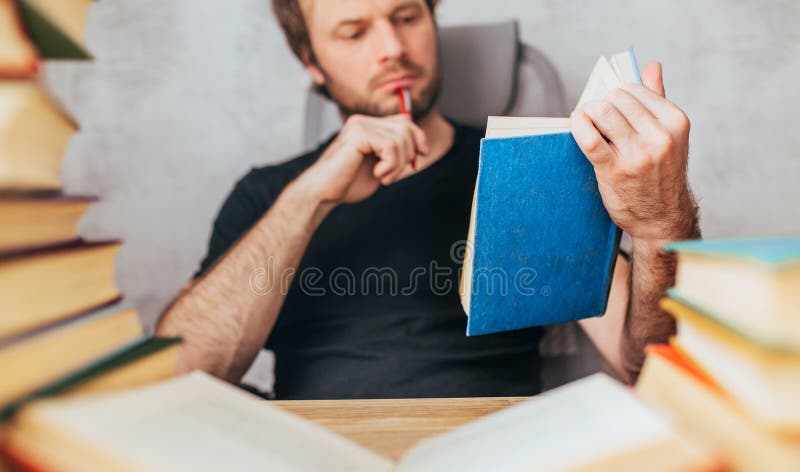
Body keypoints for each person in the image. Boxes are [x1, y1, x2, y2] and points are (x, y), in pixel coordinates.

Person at [156, 0, 700, 399]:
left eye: (407, 16)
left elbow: (648, 365)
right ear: (312, 63)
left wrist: (661, 224)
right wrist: (312, 197)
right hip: (316, 464)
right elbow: (178, 375)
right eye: (353, 32)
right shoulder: (270, 194)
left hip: (494, 460)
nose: (392, 48)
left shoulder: (525, 171)